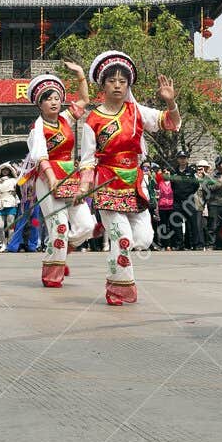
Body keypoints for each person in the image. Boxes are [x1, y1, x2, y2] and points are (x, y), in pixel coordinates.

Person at [76, 50, 180, 306]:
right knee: (122, 237)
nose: (118, 85)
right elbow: (88, 158)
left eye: (123, 81)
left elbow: (170, 123)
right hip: (107, 183)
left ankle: (112, 243)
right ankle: (118, 287)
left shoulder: (136, 112)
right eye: (112, 81)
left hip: (134, 184)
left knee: (143, 240)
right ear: (102, 84)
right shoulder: (94, 119)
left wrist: (171, 103)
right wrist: (83, 186)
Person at [23, 71, 95, 287]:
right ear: (39, 104)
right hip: (48, 180)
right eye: (48, 99)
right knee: (59, 226)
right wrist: (52, 179)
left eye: (57, 98)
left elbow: (84, 101)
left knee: (87, 225)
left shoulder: (65, 118)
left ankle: (63, 248)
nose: (54, 102)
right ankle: (52, 272)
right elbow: (41, 157)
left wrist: (82, 76)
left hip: (70, 177)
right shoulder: (37, 129)